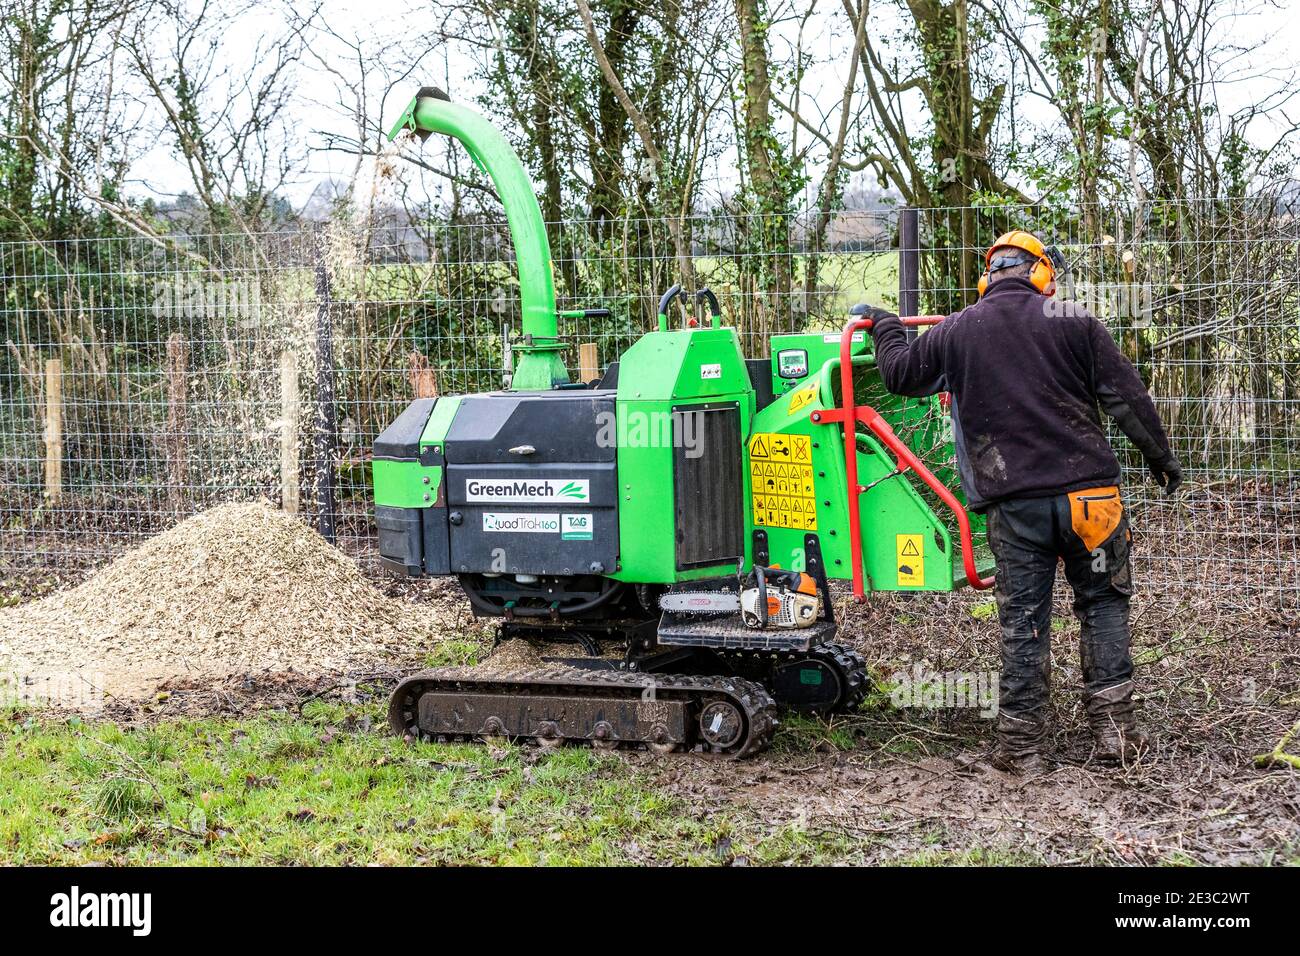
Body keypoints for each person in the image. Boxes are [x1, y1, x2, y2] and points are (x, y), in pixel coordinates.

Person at [860, 230, 1183, 773]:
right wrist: (1162, 462)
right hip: (1093, 508)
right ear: (1041, 275)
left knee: (1023, 620)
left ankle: (1023, 747)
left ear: (987, 278)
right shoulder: (1074, 319)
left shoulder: (957, 330)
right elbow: (1128, 398)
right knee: (1103, 603)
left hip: (1017, 514)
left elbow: (898, 375)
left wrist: (886, 325)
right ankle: (1115, 735)